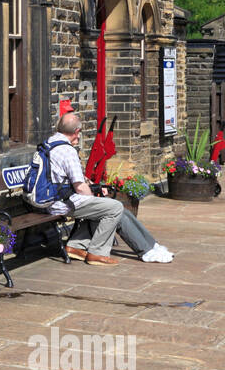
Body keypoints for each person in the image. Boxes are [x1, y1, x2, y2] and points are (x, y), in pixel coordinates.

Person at [44, 112, 174, 266]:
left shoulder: (48, 144)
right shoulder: (67, 151)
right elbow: (80, 188)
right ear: (76, 132)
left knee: (114, 208)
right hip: (60, 204)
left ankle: (149, 246)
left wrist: (93, 190)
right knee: (114, 208)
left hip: (51, 200)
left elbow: (68, 179)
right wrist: (95, 195)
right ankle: (97, 252)